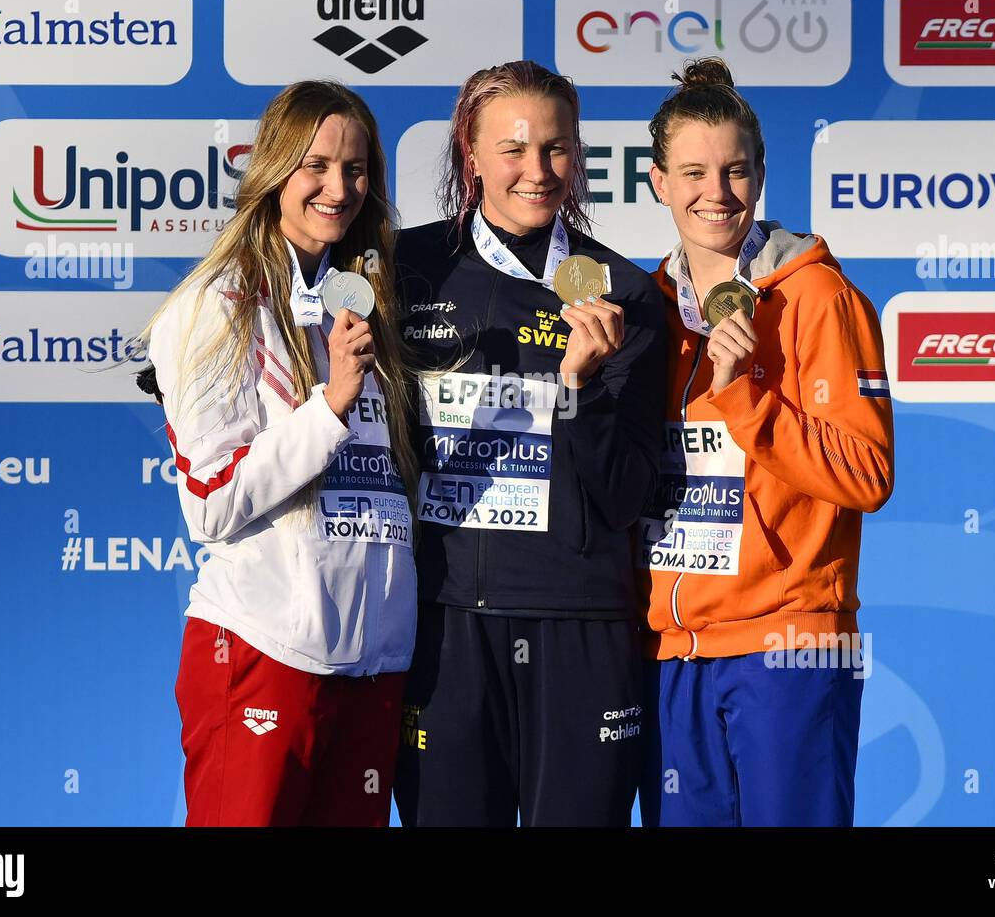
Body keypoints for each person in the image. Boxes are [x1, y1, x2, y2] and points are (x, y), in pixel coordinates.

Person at [393, 60, 666, 826]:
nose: (537, 171)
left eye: (556, 148)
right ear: (469, 154)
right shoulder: (405, 269)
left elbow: (622, 497)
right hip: (444, 621)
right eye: (512, 150)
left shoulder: (625, 295)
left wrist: (576, 390)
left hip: (579, 623)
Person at [139, 81, 419, 826]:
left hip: (371, 665)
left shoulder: (367, 301)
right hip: (262, 655)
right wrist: (328, 408)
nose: (338, 188)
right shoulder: (216, 305)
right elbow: (211, 501)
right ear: (272, 171)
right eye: (316, 165)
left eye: (356, 170)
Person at [638, 58, 895, 827]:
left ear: (760, 175)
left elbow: (868, 472)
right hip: (675, 651)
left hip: (792, 645)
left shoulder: (819, 297)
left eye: (735, 171)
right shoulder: (647, 308)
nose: (716, 194)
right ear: (656, 182)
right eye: (692, 173)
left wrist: (745, 394)